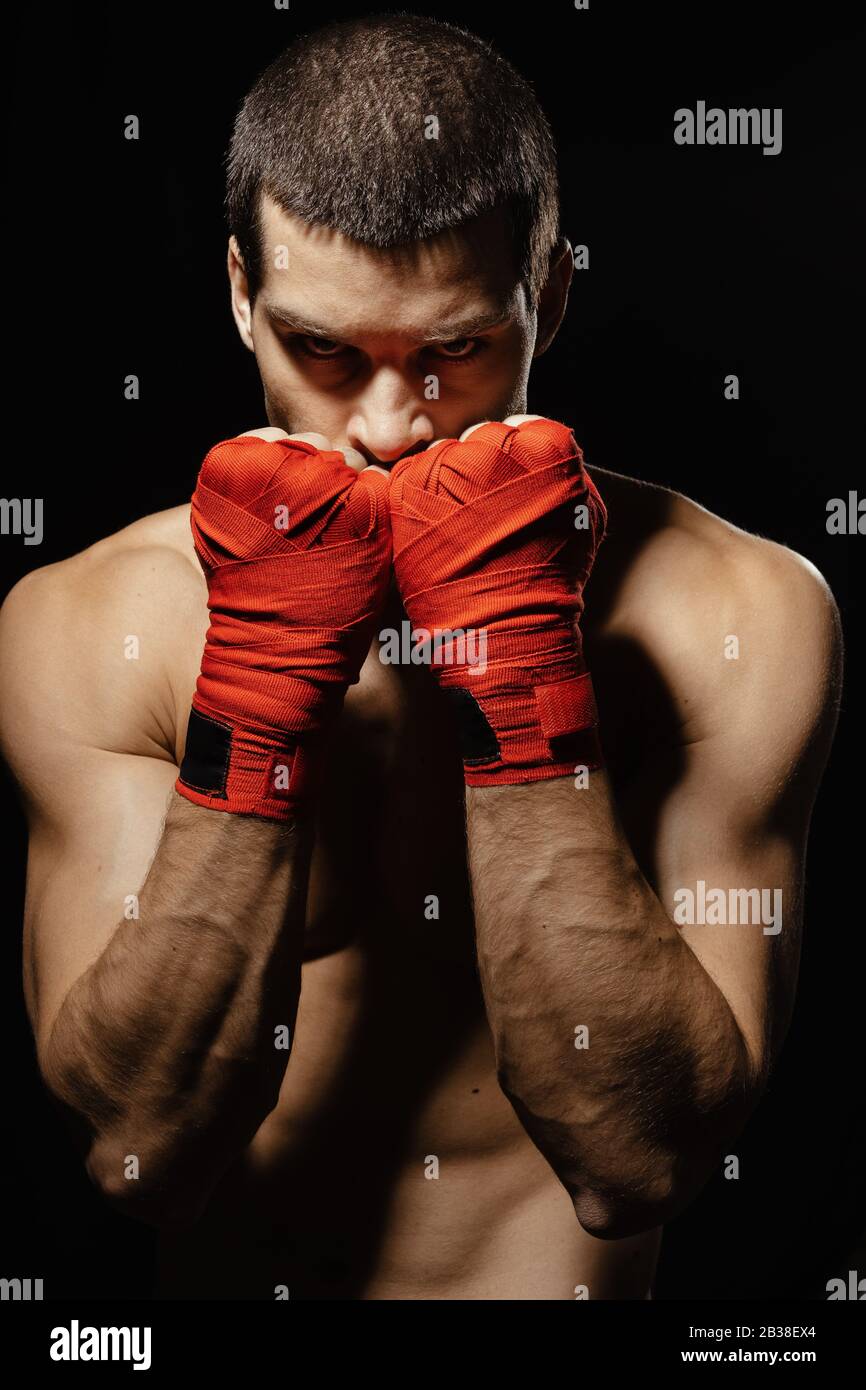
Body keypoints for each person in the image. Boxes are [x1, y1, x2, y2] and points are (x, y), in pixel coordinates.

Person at [0, 14, 841, 1300]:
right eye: (322, 350)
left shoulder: (736, 611)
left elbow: (636, 1162)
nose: (390, 426)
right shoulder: (89, 617)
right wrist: (256, 692)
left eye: (452, 351)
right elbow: (137, 1155)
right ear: (239, 297)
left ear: (547, 295)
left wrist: (521, 675)